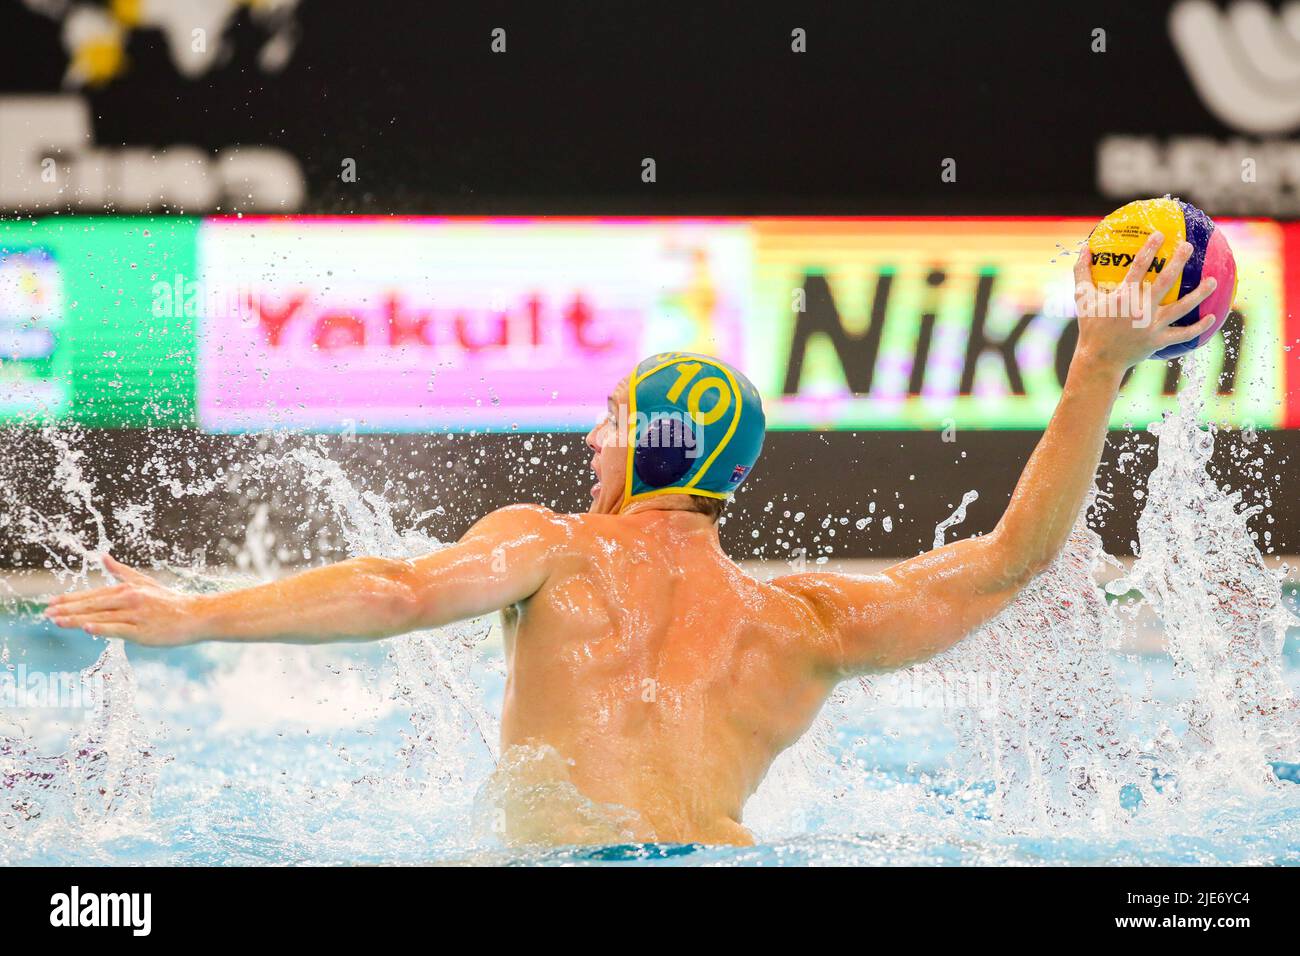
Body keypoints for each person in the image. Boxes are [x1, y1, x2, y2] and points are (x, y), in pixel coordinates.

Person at [44, 234, 1218, 846]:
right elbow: (1009, 558)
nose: (587, 437)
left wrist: (192, 613)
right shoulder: (801, 620)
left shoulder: (553, 547)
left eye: (607, 418)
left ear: (647, 444)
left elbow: (397, 590)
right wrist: (1095, 364)